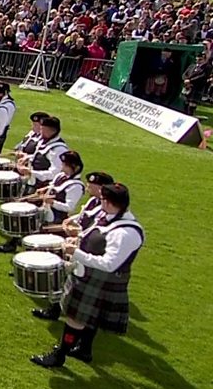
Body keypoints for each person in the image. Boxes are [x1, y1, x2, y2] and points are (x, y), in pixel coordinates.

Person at [31, 183, 143, 368]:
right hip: (88, 274)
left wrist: (76, 252)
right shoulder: (108, 217)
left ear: (110, 202)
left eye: (103, 200)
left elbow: (109, 264)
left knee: (75, 319)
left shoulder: (125, 233)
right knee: (90, 318)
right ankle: (85, 350)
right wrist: (78, 240)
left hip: (101, 280)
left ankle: (59, 356)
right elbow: (92, 236)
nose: (101, 203)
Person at [32, 170, 115, 321]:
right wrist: (72, 220)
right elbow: (84, 215)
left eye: (91, 186)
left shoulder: (105, 209)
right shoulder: (93, 201)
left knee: (62, 277)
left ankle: (56, 309)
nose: (88, 188)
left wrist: (76, 232)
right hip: (76, 242)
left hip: (83, 247)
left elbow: (96, 229)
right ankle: (55, 307)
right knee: (61, 275)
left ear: (102, 188)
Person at [20, 115, 68, 190]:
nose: (40, 132)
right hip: (34, 181)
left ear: (52, 131)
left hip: (45, 187)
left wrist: (31, 172)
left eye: (43, 130)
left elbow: (54, 173)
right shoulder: (44, 141)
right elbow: (39, 155)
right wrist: (27, 158)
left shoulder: (58, 149)